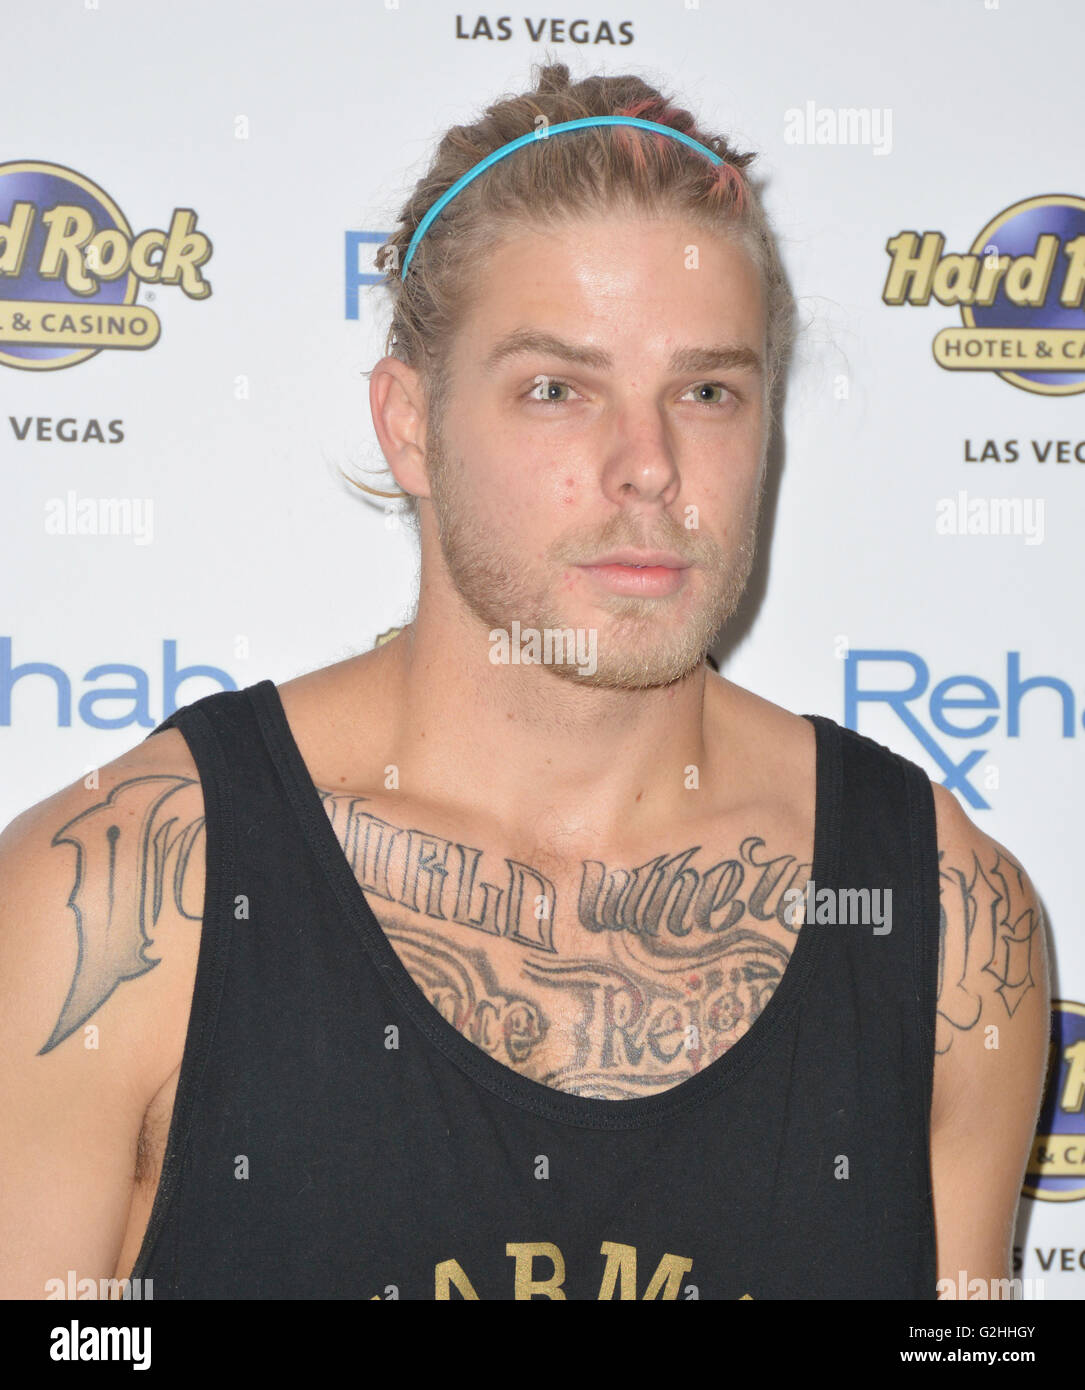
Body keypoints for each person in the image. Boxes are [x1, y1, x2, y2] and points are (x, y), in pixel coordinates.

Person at [0, 63, 1050, 1301]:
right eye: (556, 389)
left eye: (704, 391)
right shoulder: (121, 899)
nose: (646, 466)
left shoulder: (941, 914)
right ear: (408, 425)